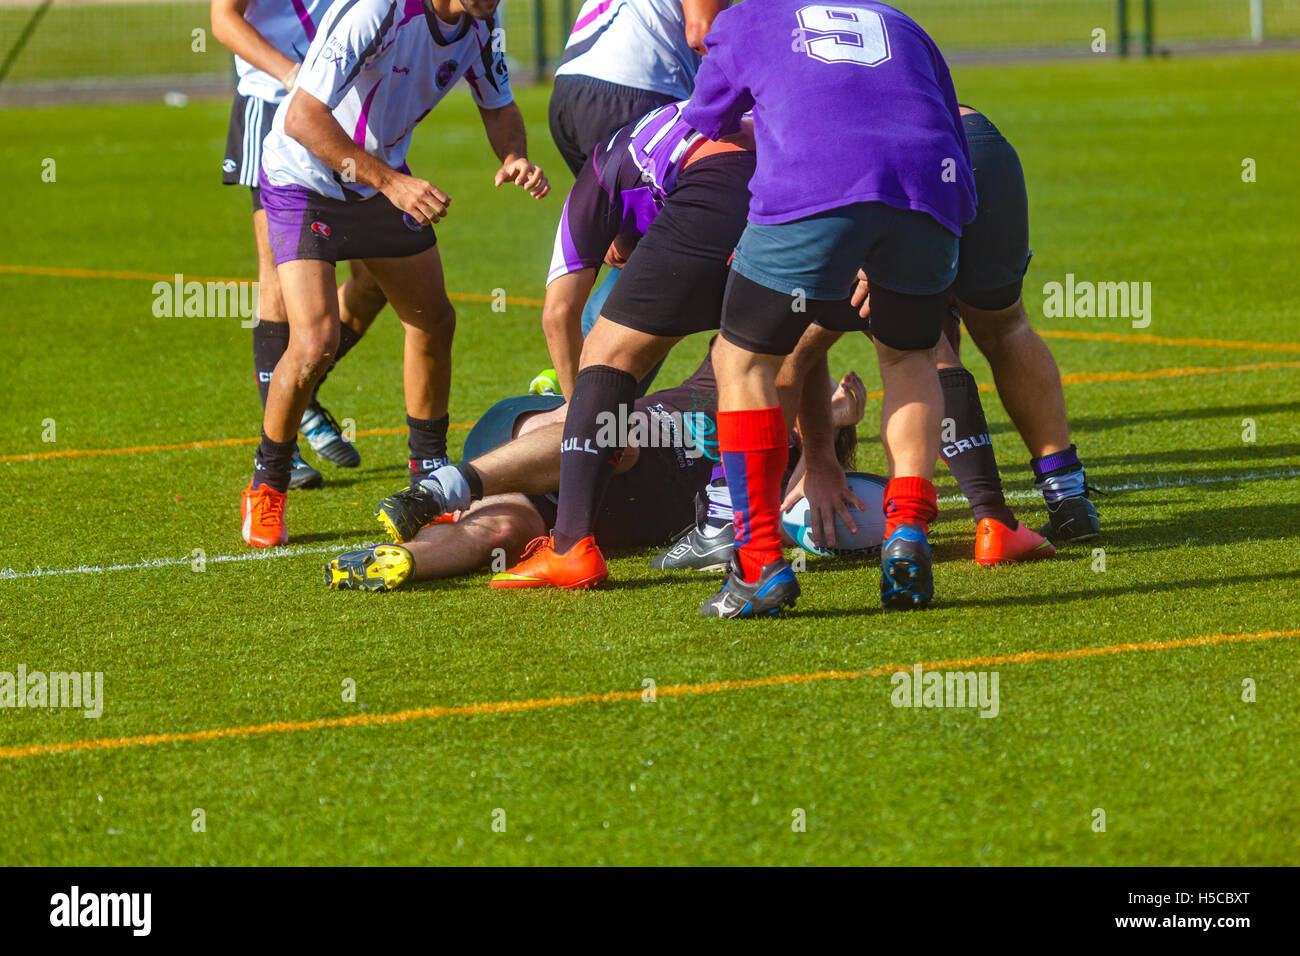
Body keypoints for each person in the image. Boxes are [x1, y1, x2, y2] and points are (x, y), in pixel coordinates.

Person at [679, 0, 977, 616]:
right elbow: (947, 120)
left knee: (743, 362)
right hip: (930, 187)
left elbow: (707, 121)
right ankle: (907, 537)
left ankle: (759, 563)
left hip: (816, 183)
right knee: (909, 359)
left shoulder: (742, 20)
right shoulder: (900, 20)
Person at [240, 0, 550, 548]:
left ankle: (427, 475)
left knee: (433, 321)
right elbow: (301, 117)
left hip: (378, 181)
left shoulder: (483, 22)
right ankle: (267, 487)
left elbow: (498, 105)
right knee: (313, 341)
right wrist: (392, 183)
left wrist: (514, 155)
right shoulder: (378, 10)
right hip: (302, 177)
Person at [327, 342, 868, 591]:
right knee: (612, 439)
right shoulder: (728, 373)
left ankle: (401, 560)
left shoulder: (776, 474)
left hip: (574, 507)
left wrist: (836, 429)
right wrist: (839, 412)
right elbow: (789, 346)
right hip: (540, 436)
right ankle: (443, 488)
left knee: (502, 528)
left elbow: (804, 497)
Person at [210, 0, 383, 489]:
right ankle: (281, 448)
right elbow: (222, 20)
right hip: (273, 104)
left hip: (342, 107)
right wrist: (291, 73)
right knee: (279, 282)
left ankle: (301, 396)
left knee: (376, 279)